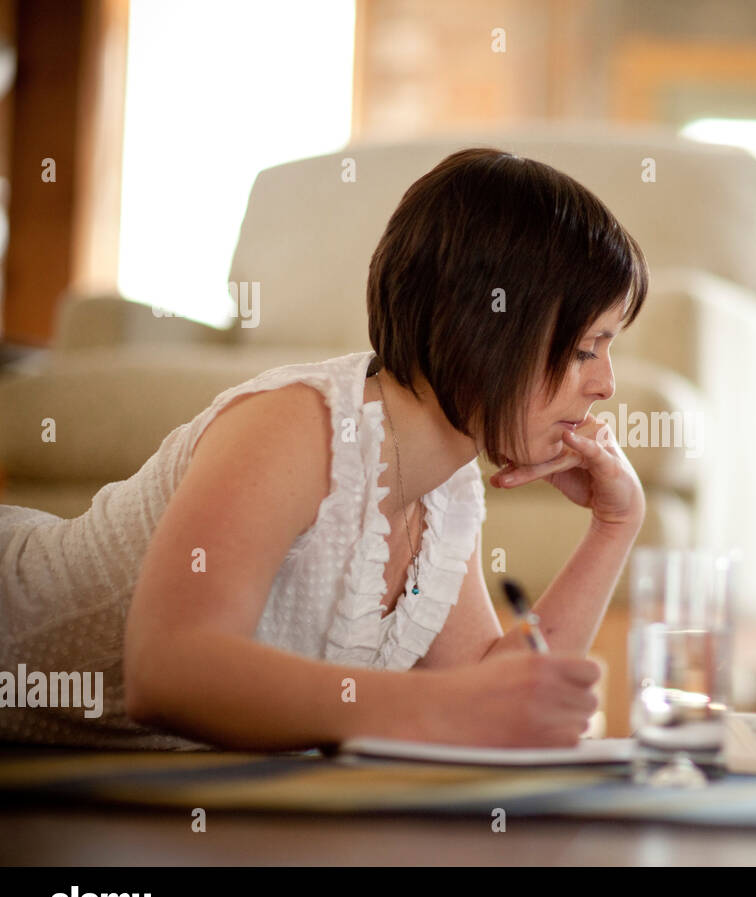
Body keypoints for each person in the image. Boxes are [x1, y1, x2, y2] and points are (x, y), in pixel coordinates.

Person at [0, 147, 649, 752]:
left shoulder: (446, 496)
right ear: (491, 327)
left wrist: (615, 527)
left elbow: (494, 694)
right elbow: (167, 671)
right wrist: (447, 706)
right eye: (588, 345)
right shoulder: (301, 424)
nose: (606, 384)